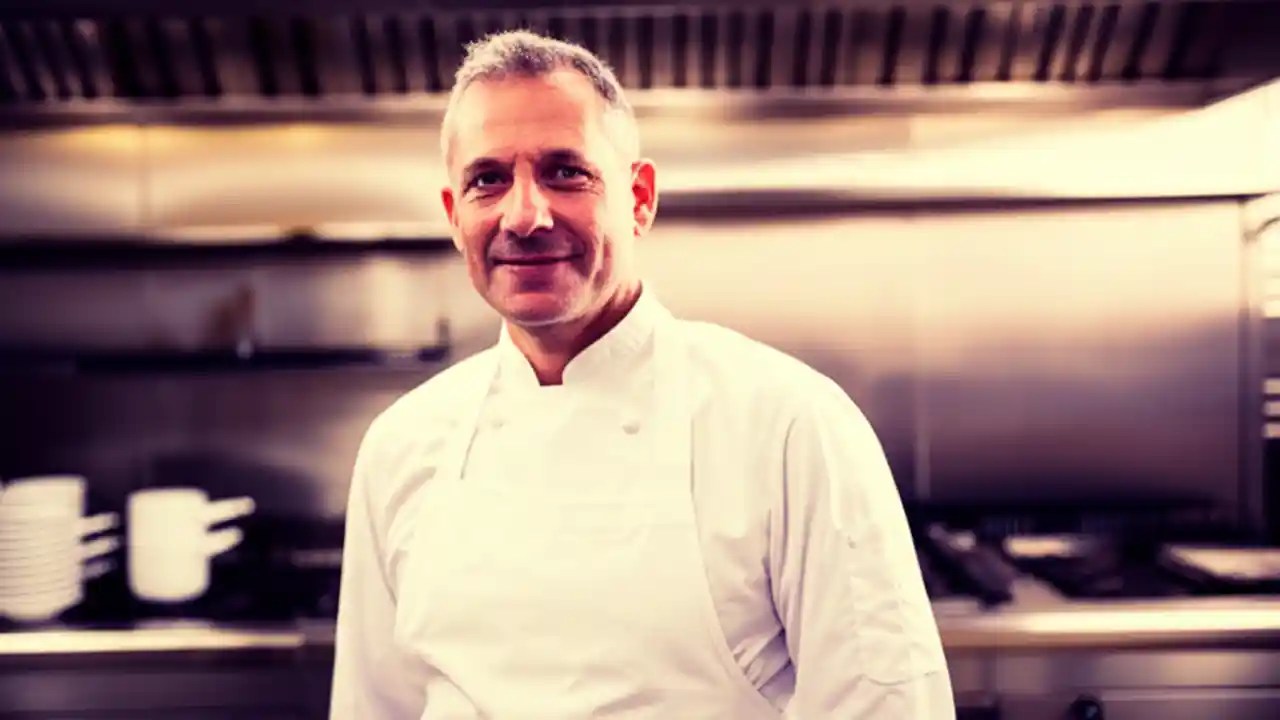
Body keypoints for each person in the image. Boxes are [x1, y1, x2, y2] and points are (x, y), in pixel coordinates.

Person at [330, 29, 954, 720]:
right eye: (488, 180)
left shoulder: (788, 425)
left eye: (566, 172)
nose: (525, 215)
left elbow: (889, 706)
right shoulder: (401, 447)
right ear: (455, 216)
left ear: (639, 198)